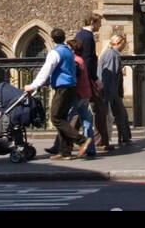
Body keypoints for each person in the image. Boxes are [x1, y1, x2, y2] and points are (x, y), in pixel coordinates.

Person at [24, 28, 88, 160]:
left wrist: (32, 86)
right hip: (71, 87)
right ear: (64, 38)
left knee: (55, 118)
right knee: (62, 118)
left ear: (52, 39)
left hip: (63, 88)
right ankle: (65, 152)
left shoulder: (55, 53)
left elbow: (45, 71)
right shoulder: (68, 51)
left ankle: (82, 140)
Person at [74, 13, 108, 150]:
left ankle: (67, 140)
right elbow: (88, 60)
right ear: (93, 22)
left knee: (78, 108)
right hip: (87, 79)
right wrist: (94, 79)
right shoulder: (88, 37)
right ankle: (98, 140)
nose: (100, 25)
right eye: (99, 22)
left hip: (82, 78)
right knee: (99, 107)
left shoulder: (80, 35)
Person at [99, 32, 131, 149]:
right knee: (120, 114)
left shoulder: (109, 54)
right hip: (111, 91)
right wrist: (110, 94)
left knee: (118, 114)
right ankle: (124, 138)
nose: (124, 46)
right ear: (118, 43)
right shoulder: (112, 55)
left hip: (110, 90)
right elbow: (109, 75)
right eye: (123, 44)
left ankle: (123, 137)